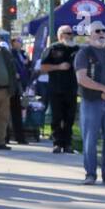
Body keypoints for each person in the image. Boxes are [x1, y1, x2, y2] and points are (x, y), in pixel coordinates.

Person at [74, 21, 105, 186]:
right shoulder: (84, 53)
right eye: (97, 31)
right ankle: (90, 174)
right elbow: (82, 78)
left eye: (104, 30)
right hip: (91, 101)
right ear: (89, 35)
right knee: (90, 139)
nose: (102, 33)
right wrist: (103, 89)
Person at [39, 25, 79, 153]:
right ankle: (57, 143)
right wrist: (59, 67)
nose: (70, 35)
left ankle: (67, 143)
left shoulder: (76, 49)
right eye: (68, 33)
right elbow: (43, 67)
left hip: (71, 88)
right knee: (57, 117)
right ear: (60, 35)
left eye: (71, 33)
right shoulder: (53, 48)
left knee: (69, 117)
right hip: (56, 88)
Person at [8, 35, 31, 143]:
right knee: (10, 113)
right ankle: (7, 137)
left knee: (18, 112)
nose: (20, 43)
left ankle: (20, 137)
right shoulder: (11, 54)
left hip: (21, 85)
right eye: (18, 41)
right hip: (12, 86)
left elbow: (25, 67)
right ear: (13, 43)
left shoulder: (21, 53)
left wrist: (28, 63)